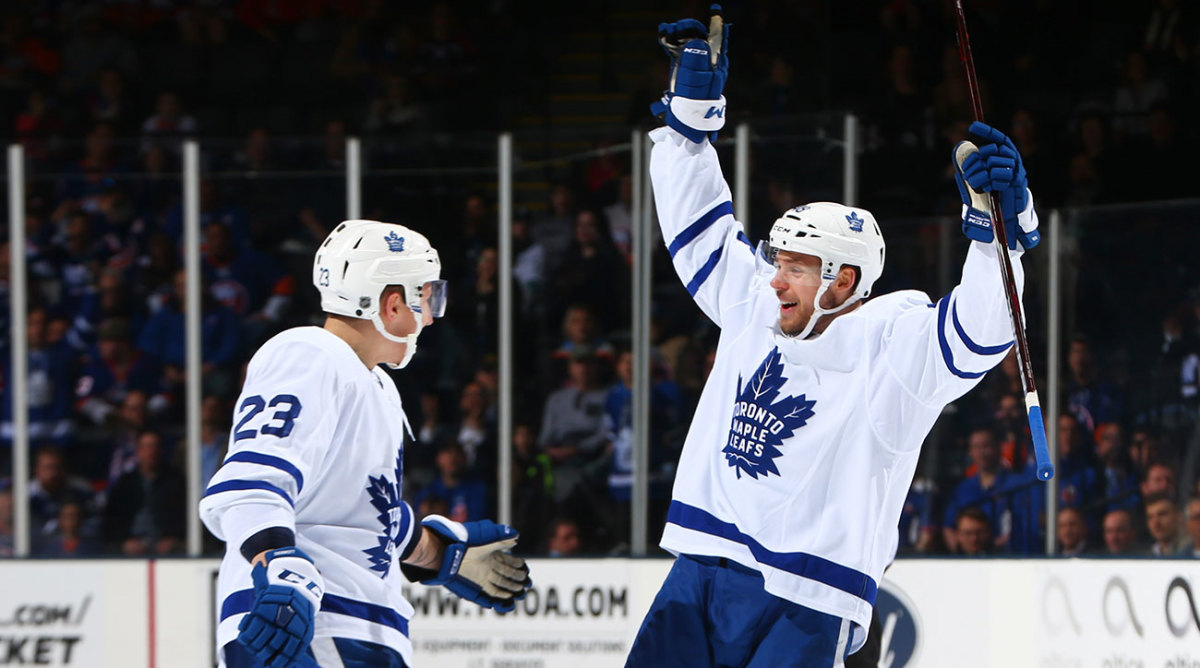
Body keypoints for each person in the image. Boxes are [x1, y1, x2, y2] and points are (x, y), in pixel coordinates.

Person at [627, 8, 1042, 665]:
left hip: (810, 594)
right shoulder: (758, 308)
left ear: (844, 279)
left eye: (796, 267)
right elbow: (699, 230)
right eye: (778, 260)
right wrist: (689, 122)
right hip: (703, 567)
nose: (776, 280)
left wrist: (1000, 234)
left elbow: (982, 331)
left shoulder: (894, 348)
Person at [199, 220, 530, 667]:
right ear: (392, 304)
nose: (431, 315)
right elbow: (250, 481)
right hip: (303, 623)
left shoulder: (374, 385)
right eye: (427, 297)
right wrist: (278, 563)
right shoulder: (310, 353)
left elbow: (364, 513)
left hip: (354, 626)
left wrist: (439, 553)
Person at [1144, 491, 1189, 556]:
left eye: (1162, 514)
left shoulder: (1191, 550)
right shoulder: (1144, 555)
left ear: (1178, 516)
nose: (1156, 522)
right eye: (1150, 517)